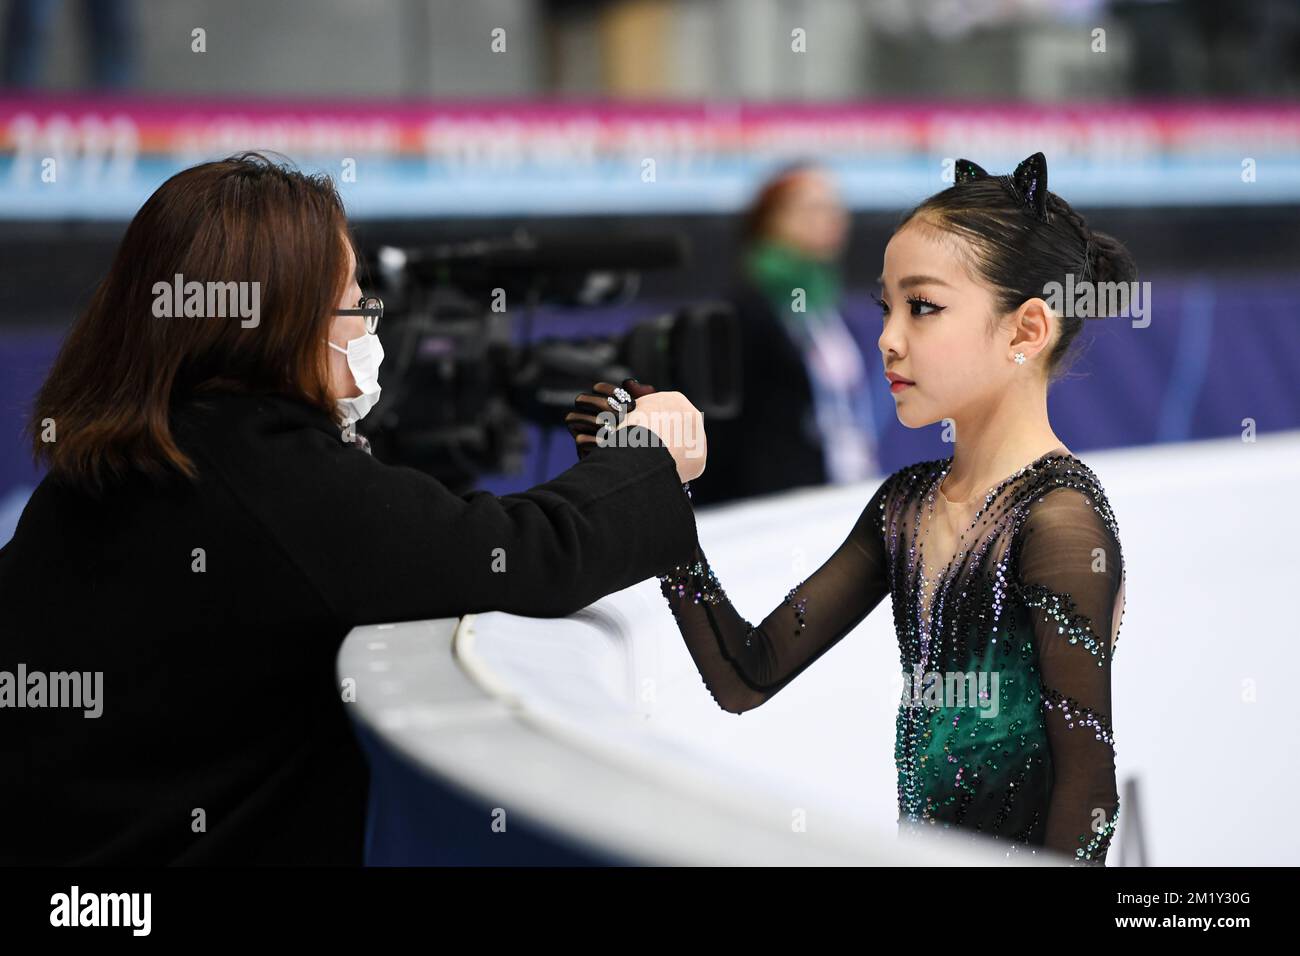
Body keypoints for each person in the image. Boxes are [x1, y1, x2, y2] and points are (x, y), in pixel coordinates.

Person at [0, 152, 705, 865]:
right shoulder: (264, 475)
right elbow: (530, 553)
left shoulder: (109, 467)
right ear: (283, 324)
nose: (368, 326)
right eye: (353, 303)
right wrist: (648, 457)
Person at [593, 153, 1135, 865]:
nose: (887, 337)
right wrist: (658, 496)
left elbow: (1089, 791)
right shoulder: (904, 507)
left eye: (923, 307)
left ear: (1025, 331)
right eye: (886, 307)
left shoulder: (1058, 523)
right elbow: (747, 674)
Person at [687, 162, 878, 506]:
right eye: (814, 207)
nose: (833, 219)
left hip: (840, 493)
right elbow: (721, 431)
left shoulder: (827, 306)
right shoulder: (744, 312)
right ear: (772, 219)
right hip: (772, 508)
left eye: (835, 208)